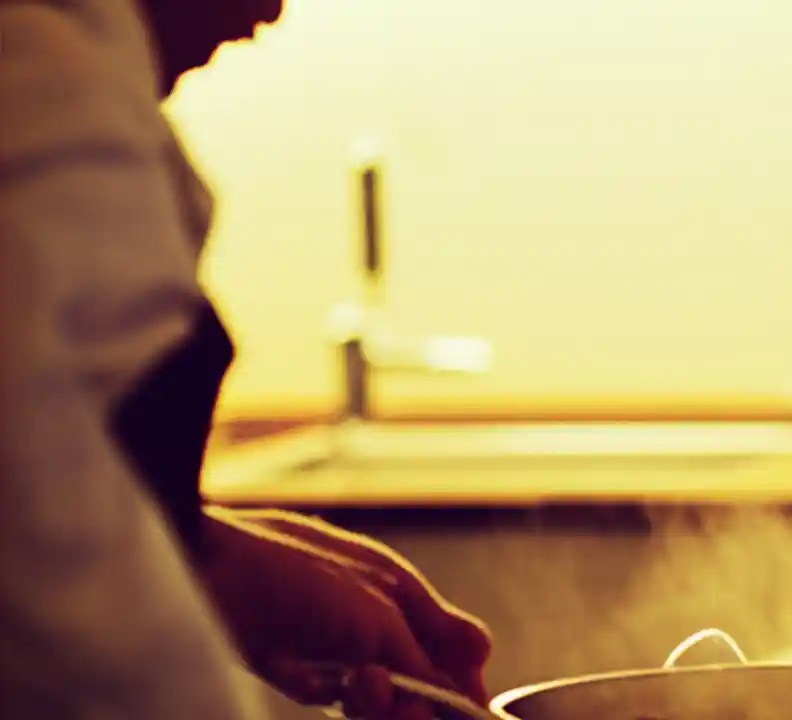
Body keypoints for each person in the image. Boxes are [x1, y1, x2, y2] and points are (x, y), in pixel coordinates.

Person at [0, 1, 491, 718]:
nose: (272, 11)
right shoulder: (47, 83)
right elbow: (74, 633)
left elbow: (44, 476)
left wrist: (217, 560)